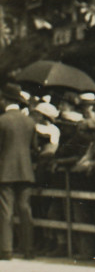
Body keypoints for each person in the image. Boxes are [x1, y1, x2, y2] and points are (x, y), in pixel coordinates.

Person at [0, 92, 36, 260]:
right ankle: (28, 249)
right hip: (26, 171)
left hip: (5, 171)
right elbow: (34, 148)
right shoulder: (29, 121)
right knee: (25, 209)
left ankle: (6, 250)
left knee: (6, 210)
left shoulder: (2, 120)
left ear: (6, 100)